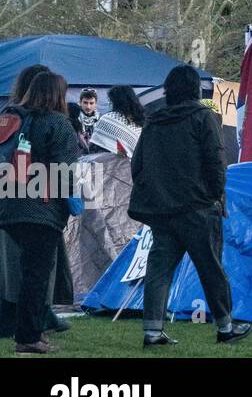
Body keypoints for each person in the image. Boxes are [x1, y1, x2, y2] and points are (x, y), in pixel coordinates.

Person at [128, 65, 251, 347]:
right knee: (211, 268)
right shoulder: (204, 117)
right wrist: (216, 195)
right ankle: (225, 326)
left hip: (161, 210)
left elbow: (138, 165)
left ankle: (152, 331)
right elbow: (215, 161)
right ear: (195, 89)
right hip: (197, 208)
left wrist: (155, 192)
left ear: (168, 90)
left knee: (158, 270)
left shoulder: (154, 121)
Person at [0, 71, 81, 355]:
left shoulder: (10, 118)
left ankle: (29, 332)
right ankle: (29, 337)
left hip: (8, 205)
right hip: (41, 209)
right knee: (37, 276)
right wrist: (71, 201)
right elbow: (66, 172)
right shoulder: (58, 123)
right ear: (57, 94)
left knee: (26, 273)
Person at [90, 85, 147, 157]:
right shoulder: (141, 121)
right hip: (132, 165)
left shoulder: (108, 118)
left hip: (108, 164)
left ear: (115, 101)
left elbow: (95, 144)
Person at [68, 89, 98, 154]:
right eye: (85, 103)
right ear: (80, 103)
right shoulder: (73, 117)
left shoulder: (100, 119)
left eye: (91, 103)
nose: (88, 107)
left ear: (96, 104)